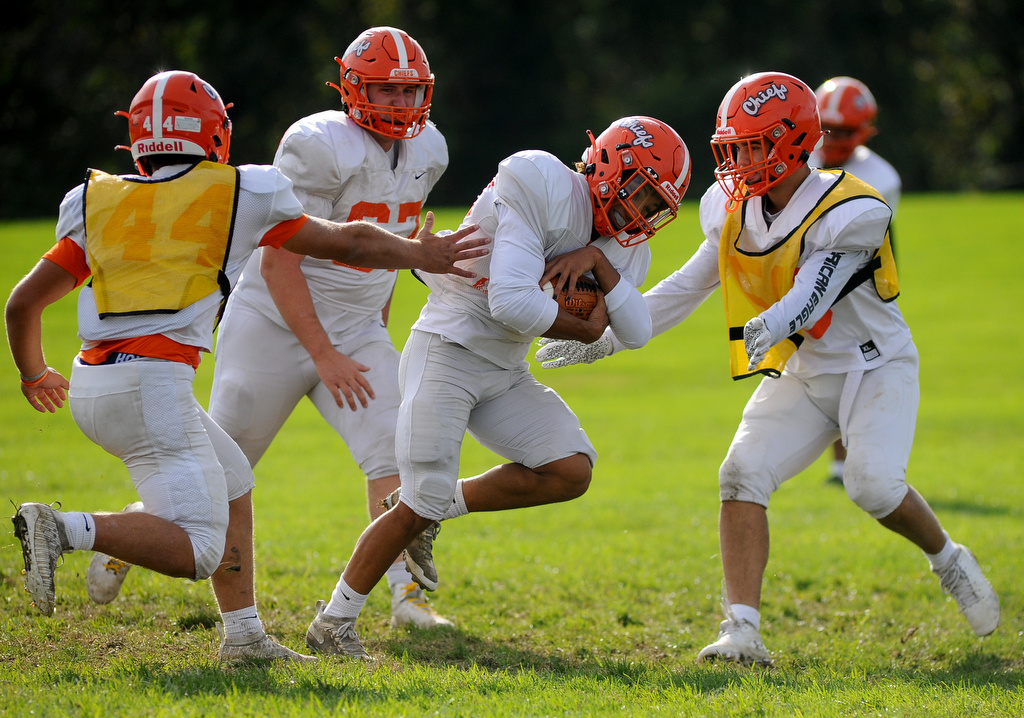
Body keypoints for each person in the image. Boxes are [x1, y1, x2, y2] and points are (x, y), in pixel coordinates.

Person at [6, 69, 487, 662]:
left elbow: (23, 303)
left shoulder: (90, 199)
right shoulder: (242, 190)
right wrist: (418, 251)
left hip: (92, 378)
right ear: (215, 132)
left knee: (234, 486)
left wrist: (33, 374)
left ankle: (246, 638)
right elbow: (350, 243)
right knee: (201, 543)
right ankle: (70, 529)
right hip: (156, 382)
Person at [535, 72, 999, 666]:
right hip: (804, 373)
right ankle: (742, 631)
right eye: (733, 145)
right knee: (741, 474)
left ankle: (949, 561)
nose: (739, 159)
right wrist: (609, 339)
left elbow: (813, 293)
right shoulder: (732, 208)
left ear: (793, 141)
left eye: (752, 144)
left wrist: (769, 326)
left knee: (872, 485)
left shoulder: (852, 207)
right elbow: (687, 286)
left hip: (873, 367)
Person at [88, 26, 455, 630]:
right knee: (218, 475)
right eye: (387, 92)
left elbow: (388, 253)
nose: (400, 104)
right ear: (353, 89)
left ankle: (404, 598)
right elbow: (280, 256)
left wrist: (372, 331)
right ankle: (132, 524)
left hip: (356, 327)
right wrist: (323, 353)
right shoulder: (317, 144)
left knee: (399, 453)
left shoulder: (429, 150)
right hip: (273, 326)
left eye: (410, 91)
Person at [301, 116, 692, 659]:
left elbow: (638, 330)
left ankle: (434, 505)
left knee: (570, 468)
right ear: (608, 167)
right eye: (639, 196)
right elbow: (509, 300)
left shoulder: (625, 250)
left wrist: (598, 260)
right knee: (416, 505)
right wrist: (578, 325)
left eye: (655, 209)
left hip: (505, 368)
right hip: (449, 345)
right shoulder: (542, 181)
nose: (640, 216)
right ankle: (333, 623)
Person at [811, 76, 902, 486]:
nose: (832, 139)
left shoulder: (880, 176)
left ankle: (856, 460)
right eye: (826, 128)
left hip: (861, 272)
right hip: (806, 270)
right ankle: (838, 461)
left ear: (864, 131)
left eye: (843, 131)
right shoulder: (803, 157)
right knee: (818, 367)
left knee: (855, 363)